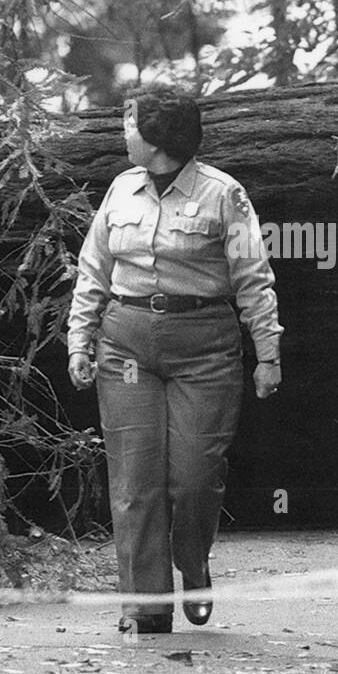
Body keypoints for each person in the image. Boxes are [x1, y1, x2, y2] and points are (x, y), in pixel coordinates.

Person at [66, 89, 283, 635]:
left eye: (129, 122)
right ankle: (146, 605)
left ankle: (194, 562)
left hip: (205, 349)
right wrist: (79, 339)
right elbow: (94, 268)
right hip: (127, 345)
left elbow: (252, 277)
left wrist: (268, 354)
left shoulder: (223, 195)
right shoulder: (121, 188)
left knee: (193, 477)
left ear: (157, 137)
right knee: (134, 480)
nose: (123, 131)